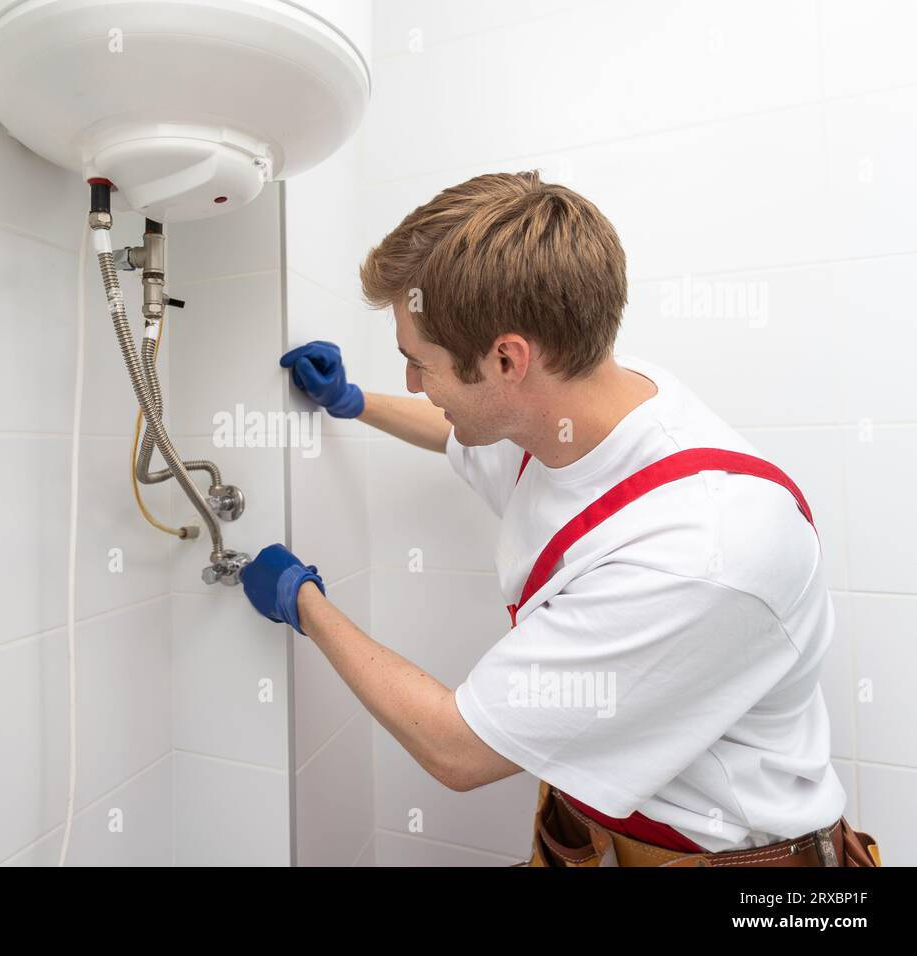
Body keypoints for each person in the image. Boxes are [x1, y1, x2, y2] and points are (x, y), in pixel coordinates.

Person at [238, 171, 881, 867]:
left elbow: (455, 748)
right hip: (603, 841)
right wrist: (353, 402)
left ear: (508, 359)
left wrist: (303, 602)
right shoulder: (582, 407)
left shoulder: (700, 553)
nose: (414, 385)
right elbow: (466, 432)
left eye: (419, 363)